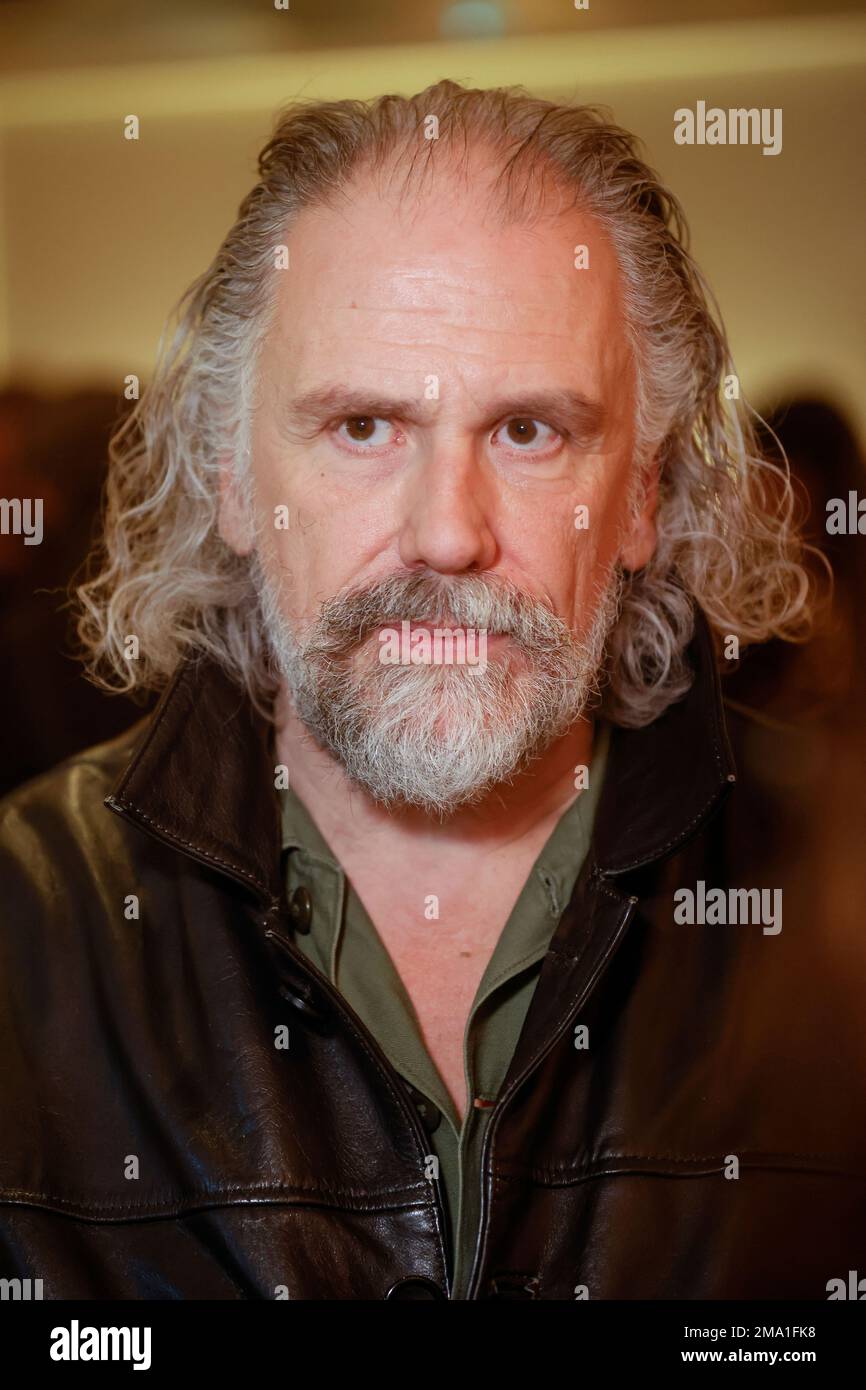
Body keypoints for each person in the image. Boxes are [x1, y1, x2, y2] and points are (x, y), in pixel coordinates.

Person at [0, 79, 861, 1301]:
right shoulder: (25, 932)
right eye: (362, 426)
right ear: (233, 480)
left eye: (527, 432)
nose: (445, 534)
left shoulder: (832, 913)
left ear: (640, 497)